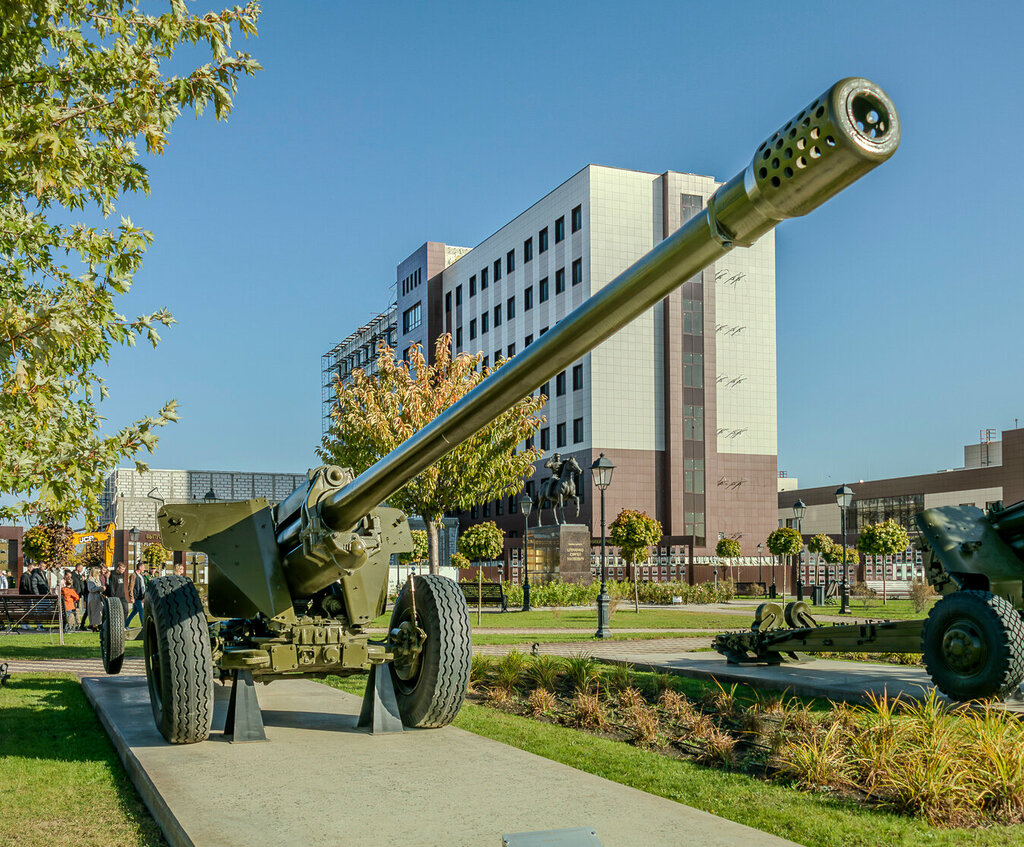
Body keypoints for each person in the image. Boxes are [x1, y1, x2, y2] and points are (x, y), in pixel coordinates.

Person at [86, 567, 104, 632]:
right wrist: (100, 588)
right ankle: (94, 625)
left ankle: (98, 624)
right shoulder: (90, 580)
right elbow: (91, 589)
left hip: (98, 596)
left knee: (99, 611)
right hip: (93, 597)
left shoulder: (98, 579)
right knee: (93, 611)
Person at [71, 563, 88, 630]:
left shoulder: (80, 576)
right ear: (77, 567)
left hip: (80, 595)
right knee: (75, 610)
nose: (81, 569)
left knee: (78, 609)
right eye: (80, 568)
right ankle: (77, 623)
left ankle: (78, 623)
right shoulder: (73, 575)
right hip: (74, 595)